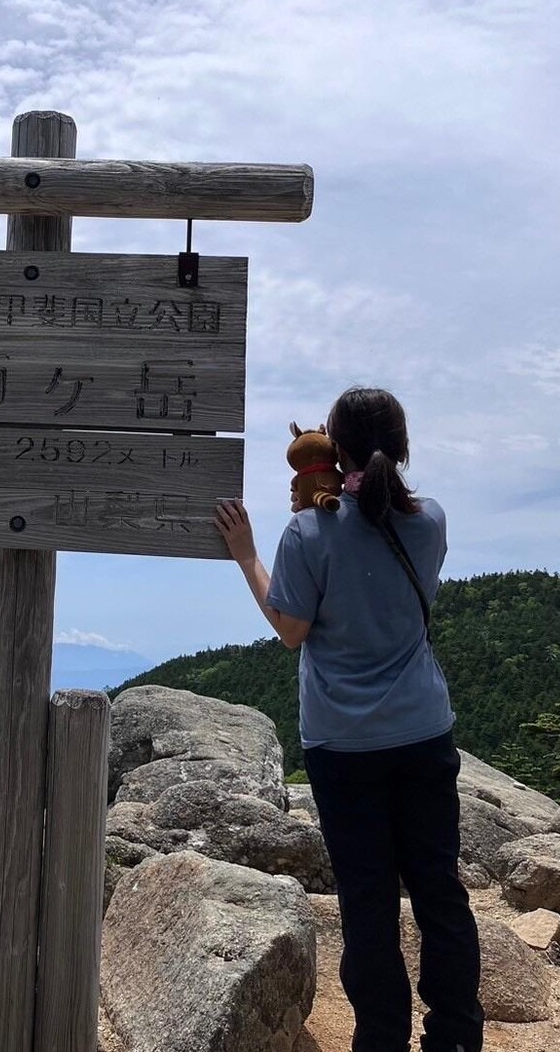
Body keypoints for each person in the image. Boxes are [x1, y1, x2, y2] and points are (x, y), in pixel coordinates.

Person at [215, 386, 483, 1052]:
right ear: (402, 445)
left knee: (368, 900)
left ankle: (381, 1040)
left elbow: (290, 630)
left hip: (342, 745)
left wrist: (247, 555)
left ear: (335, 451)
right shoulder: (431, 520)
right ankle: (455, 1037)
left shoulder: (308, 532)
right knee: (439, 891)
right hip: (423, 733)